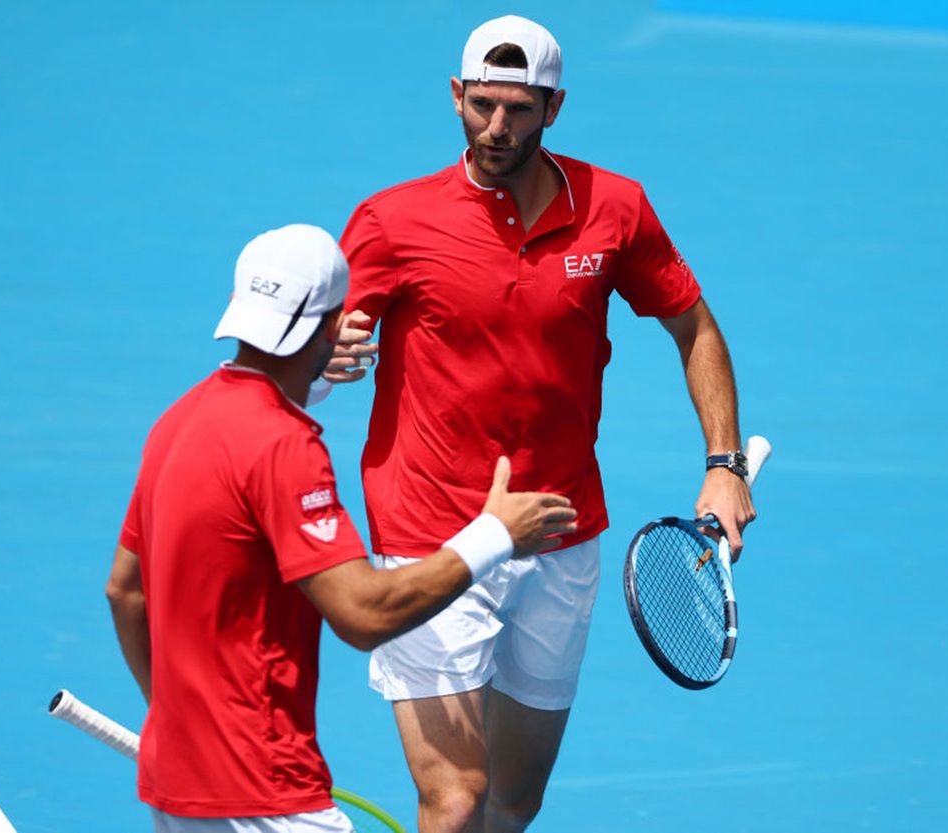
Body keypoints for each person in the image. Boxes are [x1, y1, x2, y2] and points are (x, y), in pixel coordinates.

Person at [322, 15, 759, 833]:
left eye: (519, 109)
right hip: (431, 528)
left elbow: (693, 325)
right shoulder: (392, 221)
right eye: (481, 104)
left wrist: (724, 461)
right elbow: (316, 347)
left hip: (560, 531)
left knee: (514, 800)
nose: (496, 127)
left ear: (554, 108)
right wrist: (330, 357)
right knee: (454, 798)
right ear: (455, 97)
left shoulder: (616, 209)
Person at [105, 224, 577, 833]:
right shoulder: (281, 444)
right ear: (334, 328)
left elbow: (126, 590)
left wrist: (177, 723)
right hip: (270, 792)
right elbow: (364, 615)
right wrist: (495, 535)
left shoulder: (176, 421)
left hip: (178, 784)